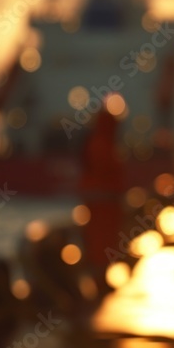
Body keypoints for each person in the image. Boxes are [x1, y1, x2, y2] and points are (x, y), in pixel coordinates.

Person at [79, 110, 125, 299]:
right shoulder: (101, 145)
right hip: (102, 207)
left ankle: (102, 281)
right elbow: (106, 172)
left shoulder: (104, 143)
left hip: (107, 206)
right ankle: (98, 284)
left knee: (105, 243)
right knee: (100, 244)